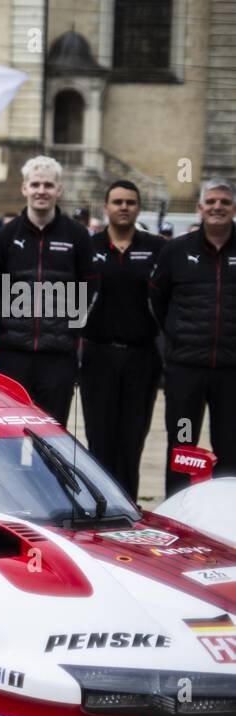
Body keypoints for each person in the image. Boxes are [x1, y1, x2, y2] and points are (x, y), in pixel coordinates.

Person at [0, 155, 96, 426]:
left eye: (48, 185)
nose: (41, 191)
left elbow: (90, 287)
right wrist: (7, 326)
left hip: (58, 356)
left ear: (59, 190)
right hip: (13, 354)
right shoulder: (5, 236)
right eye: (35, 184)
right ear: (24, 188)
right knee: (9, 433)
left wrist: (69, 330)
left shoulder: (77, 236)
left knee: (51, 434)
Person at [80, 180, 168, 501]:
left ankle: (128, 505)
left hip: (141, 357)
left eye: (130, 202)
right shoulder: (88, 247)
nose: (123, 207)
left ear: (138, 207)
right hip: (98, 356)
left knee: (132, 439)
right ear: (106, 207)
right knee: (99, 439)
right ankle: (99, 503)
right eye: (117, 202)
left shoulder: (157, 248)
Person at [151, 178, 236, 495]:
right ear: (200, 208)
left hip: (230, 373)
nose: (217, 207)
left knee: (230, 447)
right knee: (182, 444)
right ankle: (178, 511)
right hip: (186, 370)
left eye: (224, 202)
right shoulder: (176, 251)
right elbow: (157, 300)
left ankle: (226, 513)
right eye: (211, 202)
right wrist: (177, 337)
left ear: (233, 208)